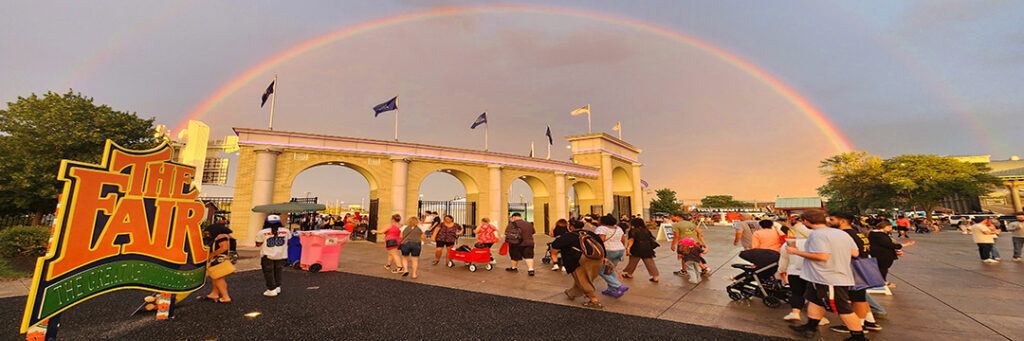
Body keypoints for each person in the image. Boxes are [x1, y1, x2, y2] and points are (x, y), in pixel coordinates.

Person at [785, 209, 866, 341]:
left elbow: (822, 256)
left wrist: (796, 252)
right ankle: (810, 327)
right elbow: (855, 252)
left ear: (806, 221)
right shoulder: (841, 233)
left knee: (842, 307)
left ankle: (858, 336)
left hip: (828, 277)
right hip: (824, 276)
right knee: (815, 300)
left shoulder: (817, 234)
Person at [829, 212, 882, 333]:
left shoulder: (844, 235)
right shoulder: (857, 233)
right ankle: (870, 321)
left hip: (853, 268)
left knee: (857, 299)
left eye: (832, 219)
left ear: (842, 221)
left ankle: (858, 325)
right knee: (861, 296)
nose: (829, 222)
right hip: (863, 266)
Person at [777, 225, 830, 326]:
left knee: (796, 293)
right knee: (814, 296)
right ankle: (818, 317)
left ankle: (795, 312)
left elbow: (784, 259)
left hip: (794, 272)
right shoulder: (817, 243)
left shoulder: (790, 242)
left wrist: (782, 270)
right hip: (813, 273)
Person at [551, 220, 605, 309]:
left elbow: (555, 244)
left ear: (571, 227)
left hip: (579, 260)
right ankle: (572, 293)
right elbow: (601, 245)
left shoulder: (569, 236)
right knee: (581, 279)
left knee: (583, 280)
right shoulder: (590, 233)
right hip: (597, 259)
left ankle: (594, 300)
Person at [255, 215, 290, 297]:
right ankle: (278, 287)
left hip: (268, 255)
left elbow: (258, 244)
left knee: (268, 272)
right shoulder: (286, 231)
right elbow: (288, 242)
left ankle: (271, 289)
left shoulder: (262, 232)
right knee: (278, 270)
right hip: (281, 255)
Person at [197, 223, 233, 303]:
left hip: (219, 260)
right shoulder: (226, 236)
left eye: (208, 233)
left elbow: (224, 247)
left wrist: (212, 255)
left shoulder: (221, 237)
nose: (208, 235)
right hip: (222, 259)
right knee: (215, 277)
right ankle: (214, 293)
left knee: (219, 278)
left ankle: (225, 297)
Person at [595, 215, 628, 297]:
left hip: (608, 250)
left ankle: (618, 285)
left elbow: (601, 240)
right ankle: (611, 289)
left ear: (603, 222)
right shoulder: (618, 228)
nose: (597, 221)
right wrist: (621, 249)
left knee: (600, 270)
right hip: (619, 249)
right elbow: (623, 239)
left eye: (599, 220)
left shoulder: (601, 228)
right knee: (610, 269)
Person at [622, 218, 660, 282]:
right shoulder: (646, 230)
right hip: (647, 247)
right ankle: (655, 277)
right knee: (650, 263)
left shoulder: (633, 230)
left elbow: (631, 240)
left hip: (637, 248)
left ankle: (629, 274)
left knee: (633, 261)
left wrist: (628, 248)